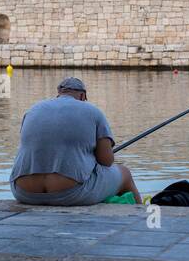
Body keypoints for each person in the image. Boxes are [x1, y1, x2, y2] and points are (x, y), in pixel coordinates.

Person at [11, 76, 141, 206]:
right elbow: (106, 161)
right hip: (71, 194)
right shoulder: (94, 112)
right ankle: (142, 215)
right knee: (125, 173)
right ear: (82, 96)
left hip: (23, 193)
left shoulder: (33, 110)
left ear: (59, 93)